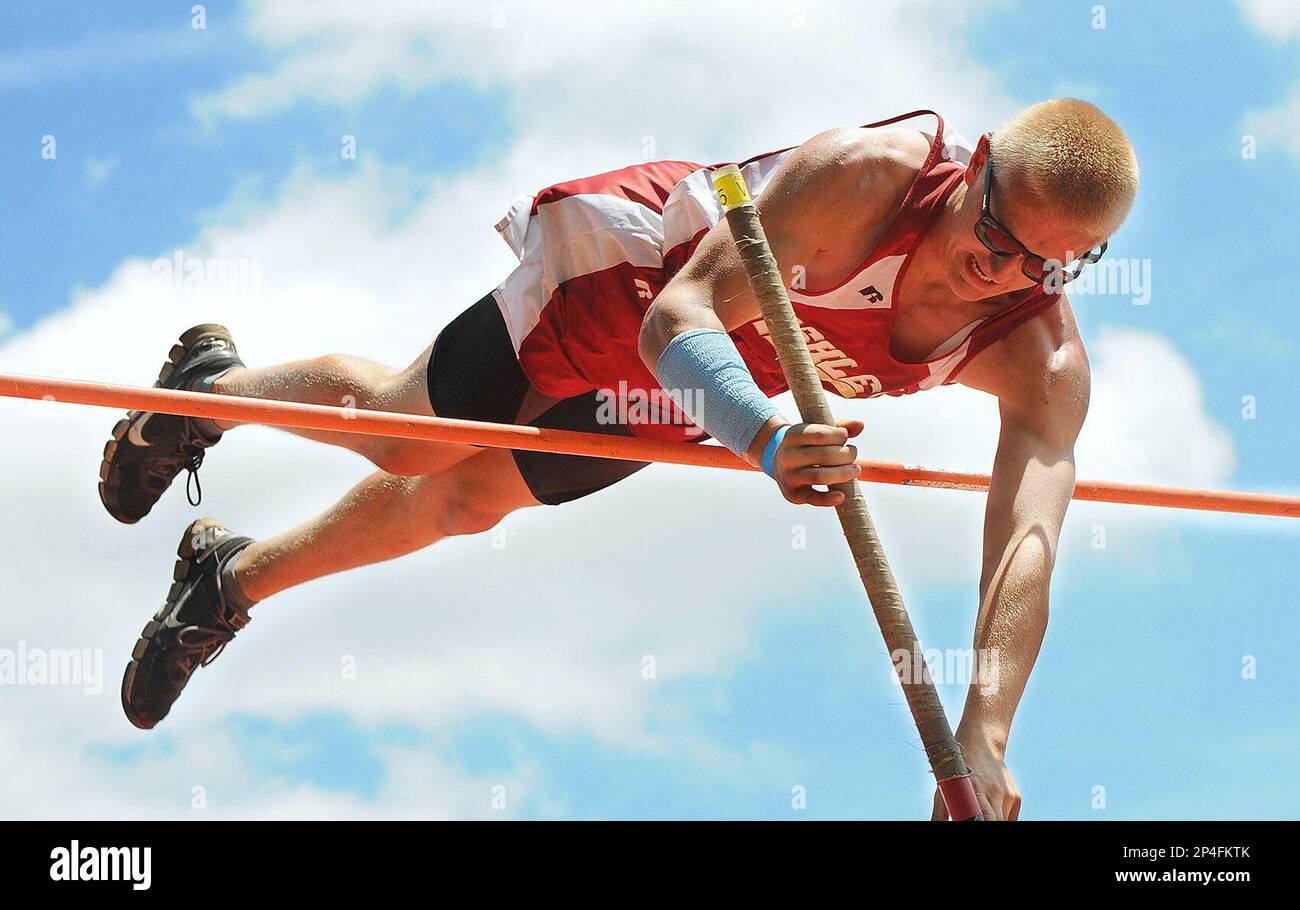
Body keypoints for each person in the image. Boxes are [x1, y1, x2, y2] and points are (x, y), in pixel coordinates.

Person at [100, 99, 1138, 821]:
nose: (995, 273)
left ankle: (224, 579)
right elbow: (678, 319)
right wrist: (765, 438)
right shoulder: (866, 178)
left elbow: (1030, 538)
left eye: (1038, 265)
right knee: (409, 436)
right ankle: (200, 392)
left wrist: (986, 732)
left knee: (464, 504)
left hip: (712, 381)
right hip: (632, 285)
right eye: (994, 233)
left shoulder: (1037, 355)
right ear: (981, 163)